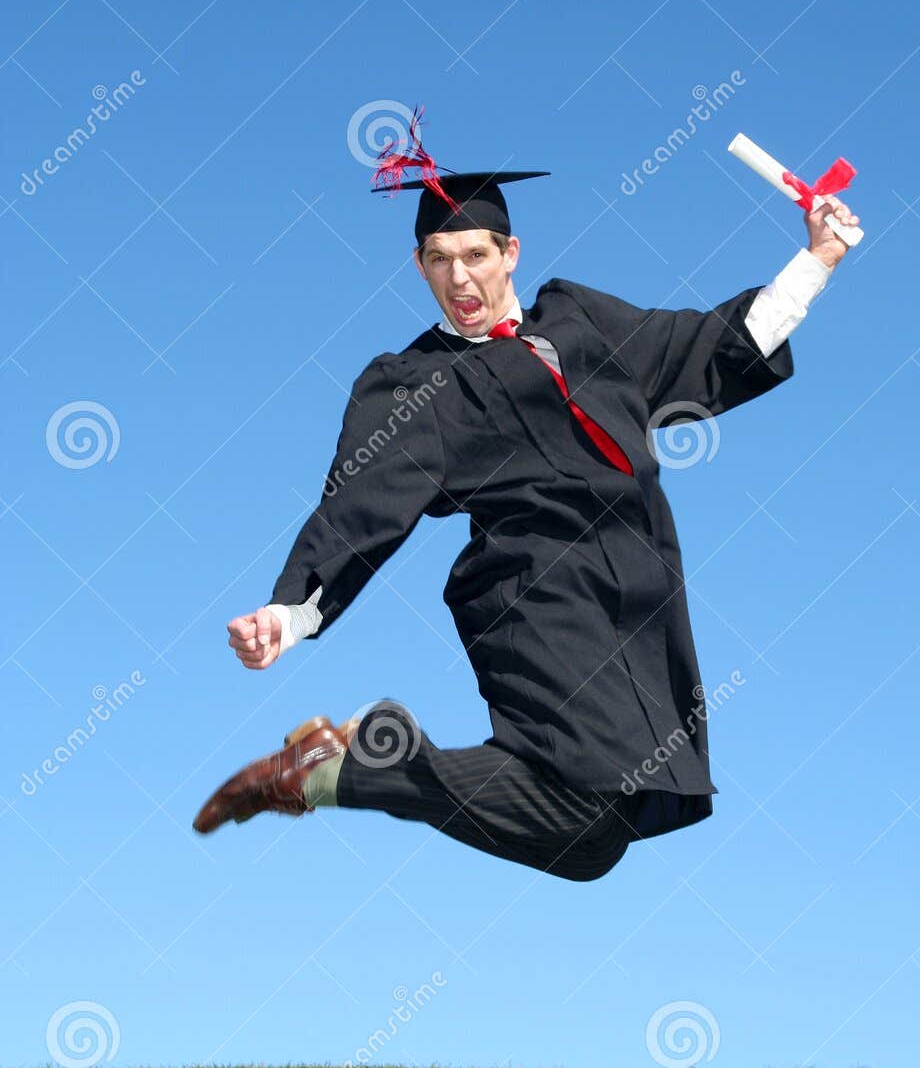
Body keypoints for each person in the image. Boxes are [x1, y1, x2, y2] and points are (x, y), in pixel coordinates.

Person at [193, 114, 861, 880]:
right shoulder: (417, 384)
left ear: (509, 254)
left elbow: (710, 344)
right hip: (535, 595)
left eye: (475, 255)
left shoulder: (579, 325)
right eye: (438, 260)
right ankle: (342, 768)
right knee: (586, 814)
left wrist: (818, 259)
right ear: (418, 267)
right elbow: (359, 509)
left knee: (592, 839)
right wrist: (287, 614)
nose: (459, 278)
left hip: (635, 602)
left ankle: (339, 766)